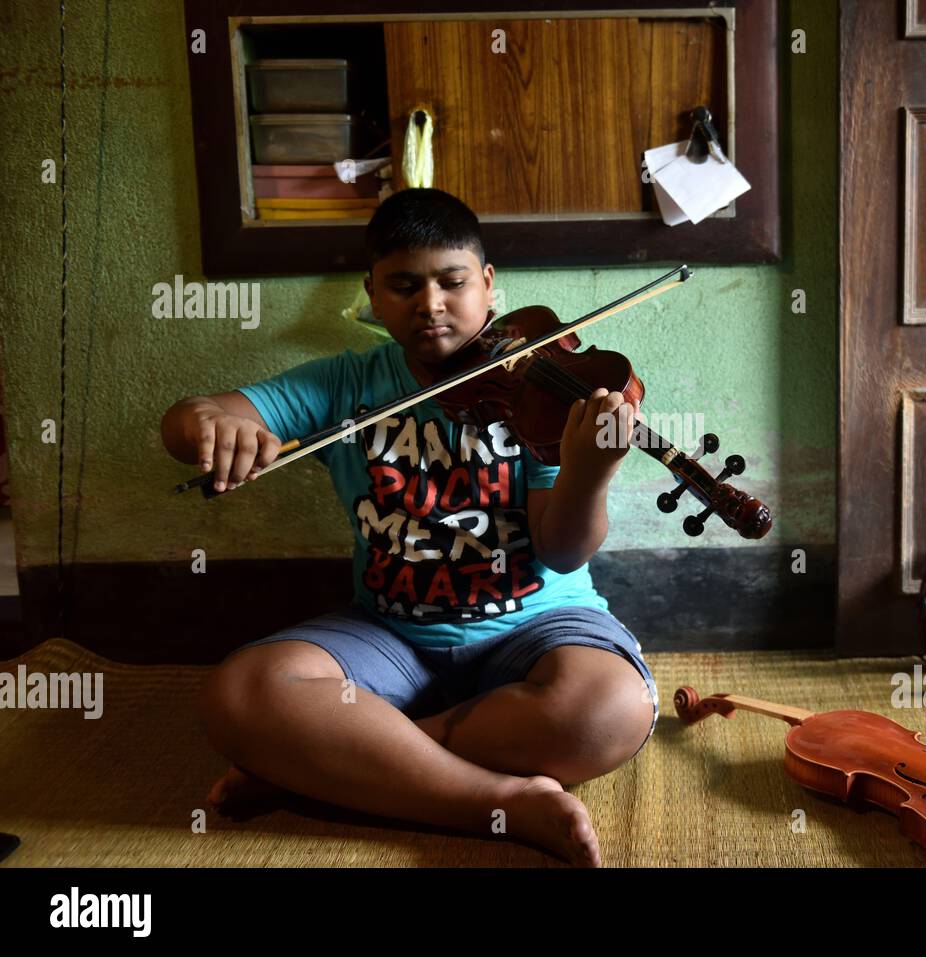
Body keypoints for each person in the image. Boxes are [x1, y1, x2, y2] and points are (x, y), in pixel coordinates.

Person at [159, 188, 658, 867]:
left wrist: (588, 472)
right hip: (392, 632)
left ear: (486, 283)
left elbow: (563, 552)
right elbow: (189, 418)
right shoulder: (346, 384)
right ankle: (500, 804)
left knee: (612, 707)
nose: (430, 305)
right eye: (403, 286)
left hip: (536, 629)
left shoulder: (539, 382)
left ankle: (333, 765)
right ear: (372, 293)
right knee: (241, 693)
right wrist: (211, 426)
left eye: (452, 282)